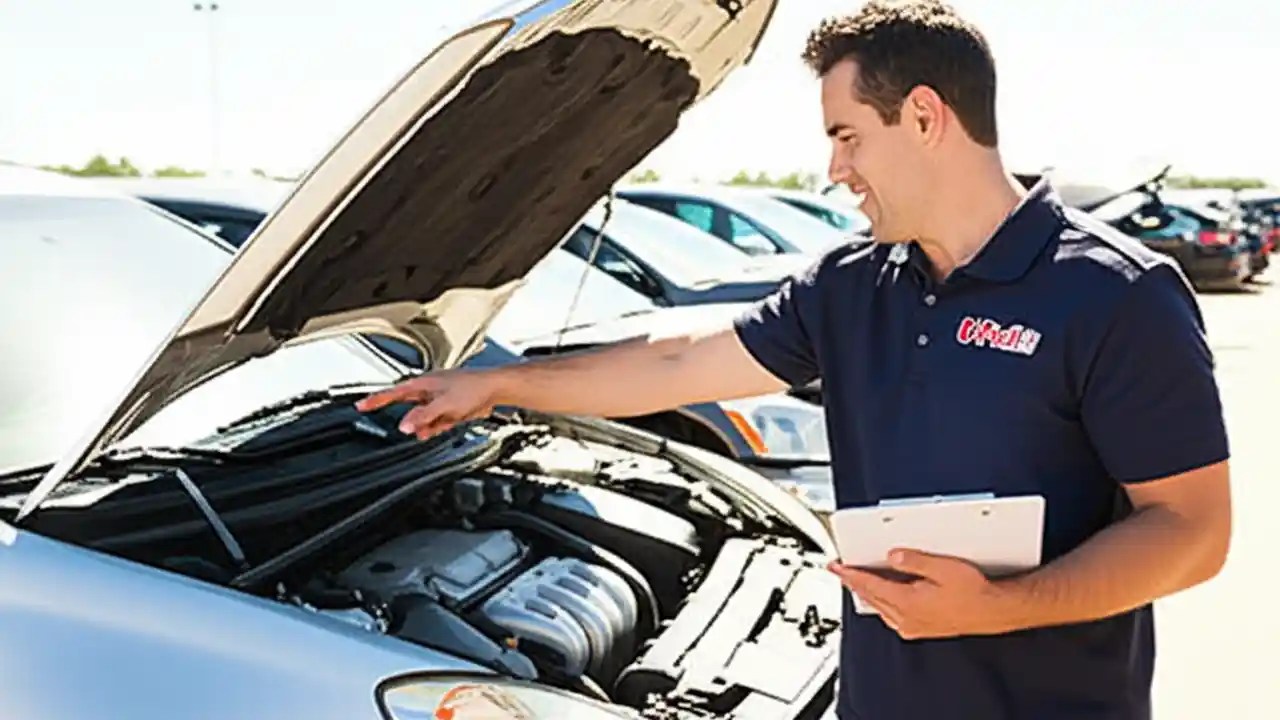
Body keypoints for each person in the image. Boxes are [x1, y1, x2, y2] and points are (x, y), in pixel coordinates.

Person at [356, 1, 1233, 717]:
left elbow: (1192, 532)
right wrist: (502, 383)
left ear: (925, 116)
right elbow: (678, 363)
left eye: (848, 135)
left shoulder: (1115, 293)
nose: (835, 169)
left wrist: (1000, 607)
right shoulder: (852, 286)